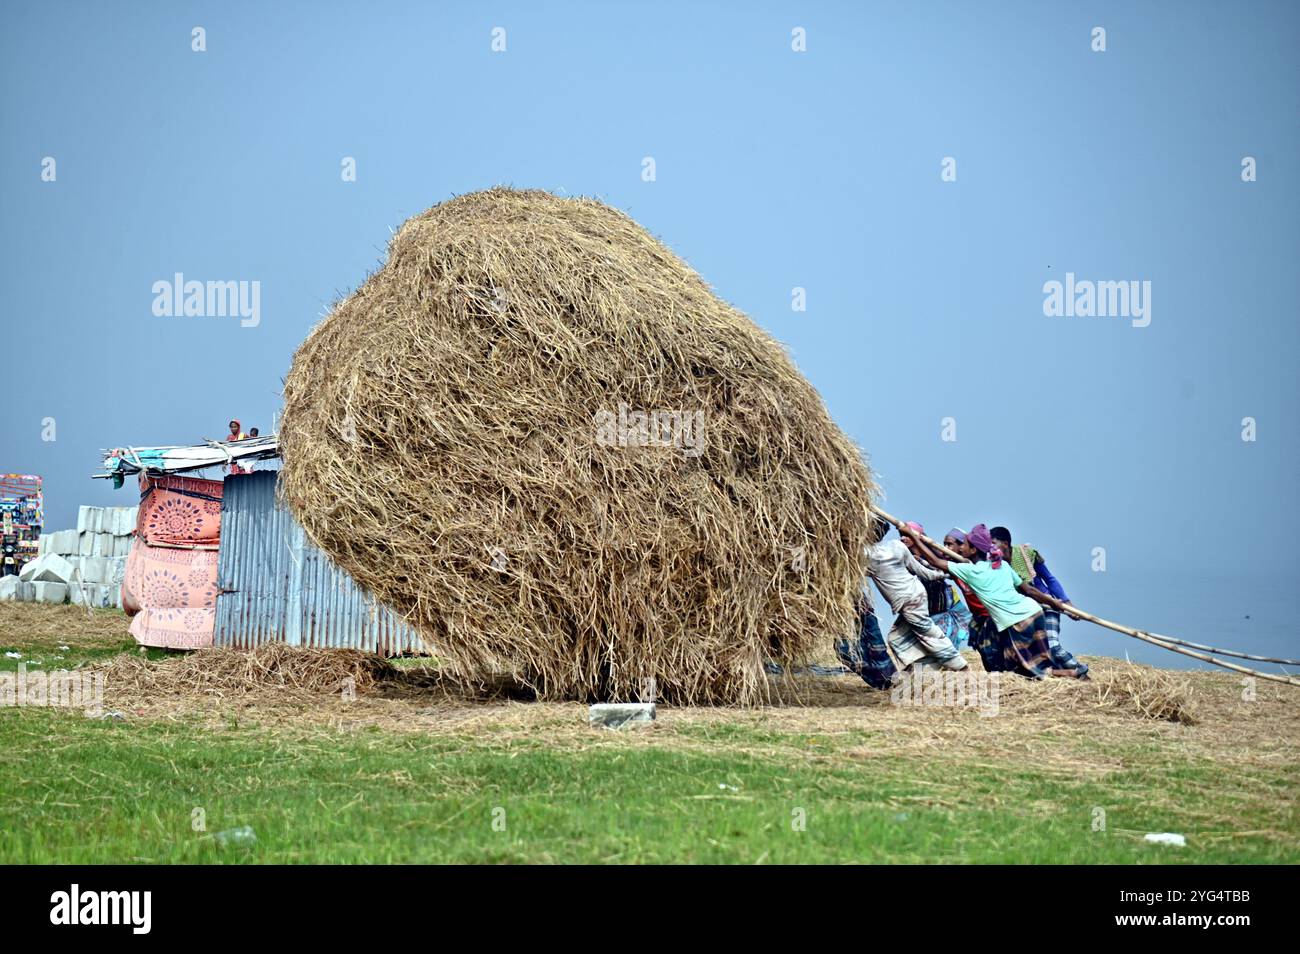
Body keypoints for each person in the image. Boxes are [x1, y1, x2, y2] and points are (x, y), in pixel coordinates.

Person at [903, 523, 1082, 679]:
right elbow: (1029, 590)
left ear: (973, 550)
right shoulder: (1001, 565)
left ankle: (1073, 673)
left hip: (1017, 621)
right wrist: (1056, 603)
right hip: (1035, 612)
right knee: (1028, 661)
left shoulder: (971, 571)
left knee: (1028, 668)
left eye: (964, 545)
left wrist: (913, 535)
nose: (962, 547)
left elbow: (935, 561)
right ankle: (1067, 673)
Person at [867, 518, 967, 672]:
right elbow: (922, 571)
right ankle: (915, 668)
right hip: (917, 593)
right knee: (896, 638)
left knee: (928, 634)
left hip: (909, 601)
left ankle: (960, 666)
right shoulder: (896, 546)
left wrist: (943, 575)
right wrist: (941, 575)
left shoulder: (867, 555)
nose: (902, 537)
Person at [990, 526, 1088, 678]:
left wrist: (1068, 605)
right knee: (1038, 656)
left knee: (1053, 648)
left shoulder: (1026, 554)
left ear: (1005, 543)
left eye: (993, 543)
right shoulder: (995, 565)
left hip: (1047, 606)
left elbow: (1049, 579)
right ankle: (1067, 676)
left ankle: (1081, 672)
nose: (991, 548)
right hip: (1026, 616)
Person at [901, 522, 972, 650]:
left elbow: (937, 569)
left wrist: (920, 561)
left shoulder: (936, 556)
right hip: (925, 608)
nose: (902, 538)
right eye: (901, 535)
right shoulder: (905, 556)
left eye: (907, 535)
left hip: (940, 606)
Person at [943, 528, 1000, 671]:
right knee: (980, 648)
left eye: (950, 545)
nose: (946, 548)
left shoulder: (971, 566)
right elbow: (932, 554)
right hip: (977, 616)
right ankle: (994, 677)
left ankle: (1000, 675)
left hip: (990, 615)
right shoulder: (953, 565)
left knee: (991, 650)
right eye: (944, 544)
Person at [835, 594, 899, 690]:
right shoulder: (886, 673)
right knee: (845, 649)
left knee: (843, 649)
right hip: (858, 611)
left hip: (860, 611)